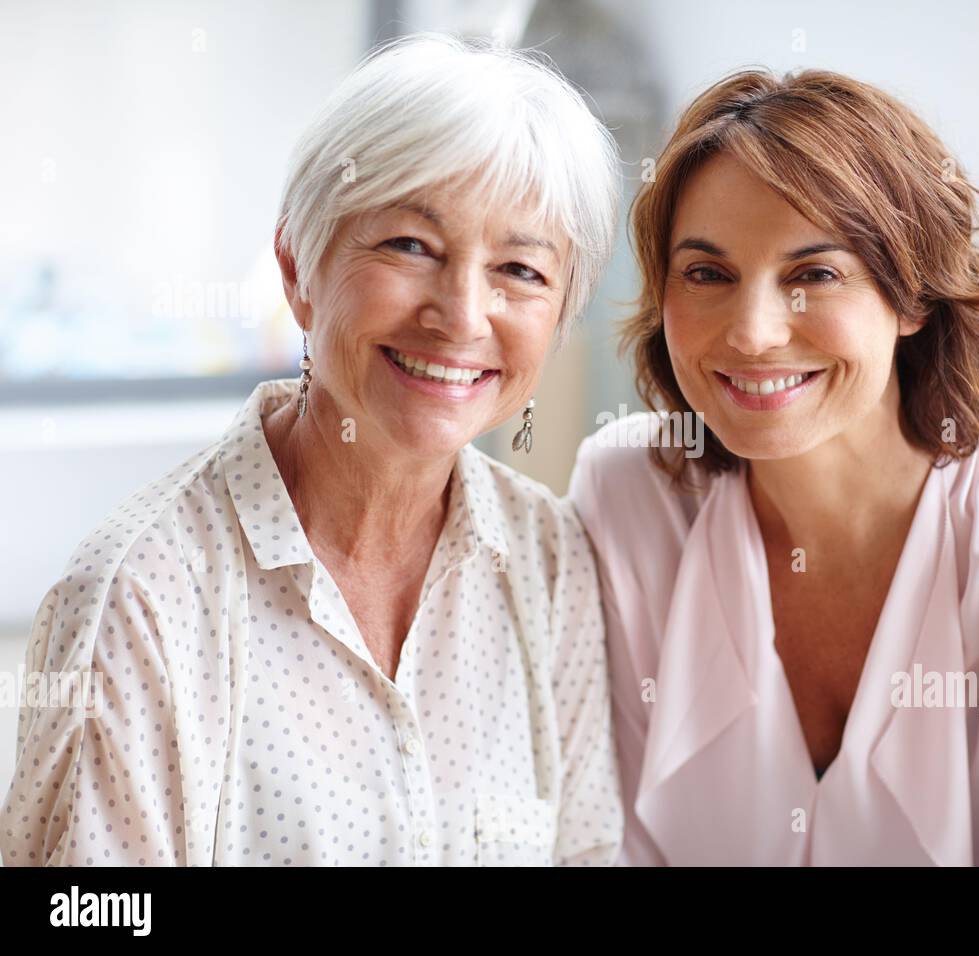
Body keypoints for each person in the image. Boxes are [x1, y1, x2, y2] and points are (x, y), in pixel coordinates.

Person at [1, 33, 623, 866]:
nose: (463, 315)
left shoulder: (552, 564)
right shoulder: (137, 599)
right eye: (411, 246)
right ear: (298, 268)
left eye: (520, 269)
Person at [568, 68, 979, 865]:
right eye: (708, 273)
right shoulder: (626, 494)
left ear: (913, 296)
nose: (751, 333)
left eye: (814, 274)